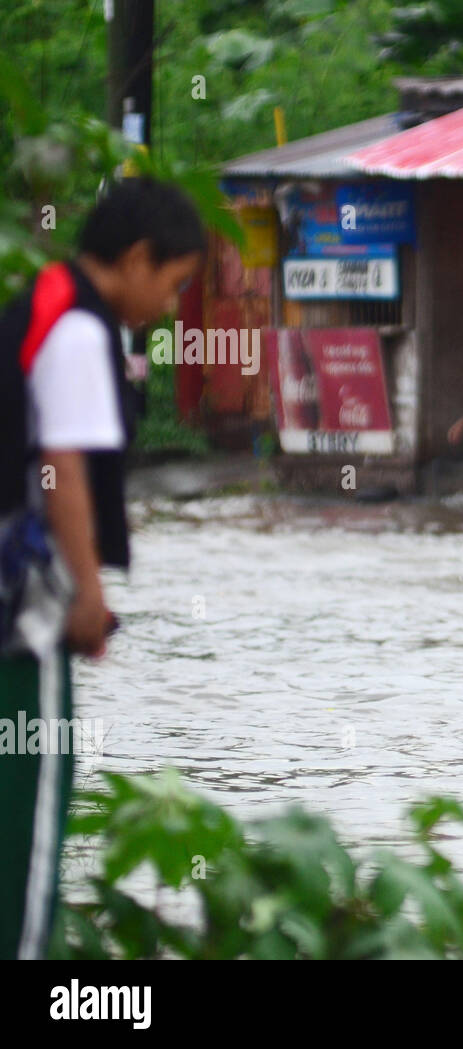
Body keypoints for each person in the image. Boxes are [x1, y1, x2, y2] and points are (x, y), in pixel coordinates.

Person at [0, 178, 205, 959]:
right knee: (28, 829)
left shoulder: (39, 298)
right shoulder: (83, 330)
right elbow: (65, 468)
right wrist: (88, 595)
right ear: (135, 258)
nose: (172, 304)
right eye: (174, 282)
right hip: (22, 607)